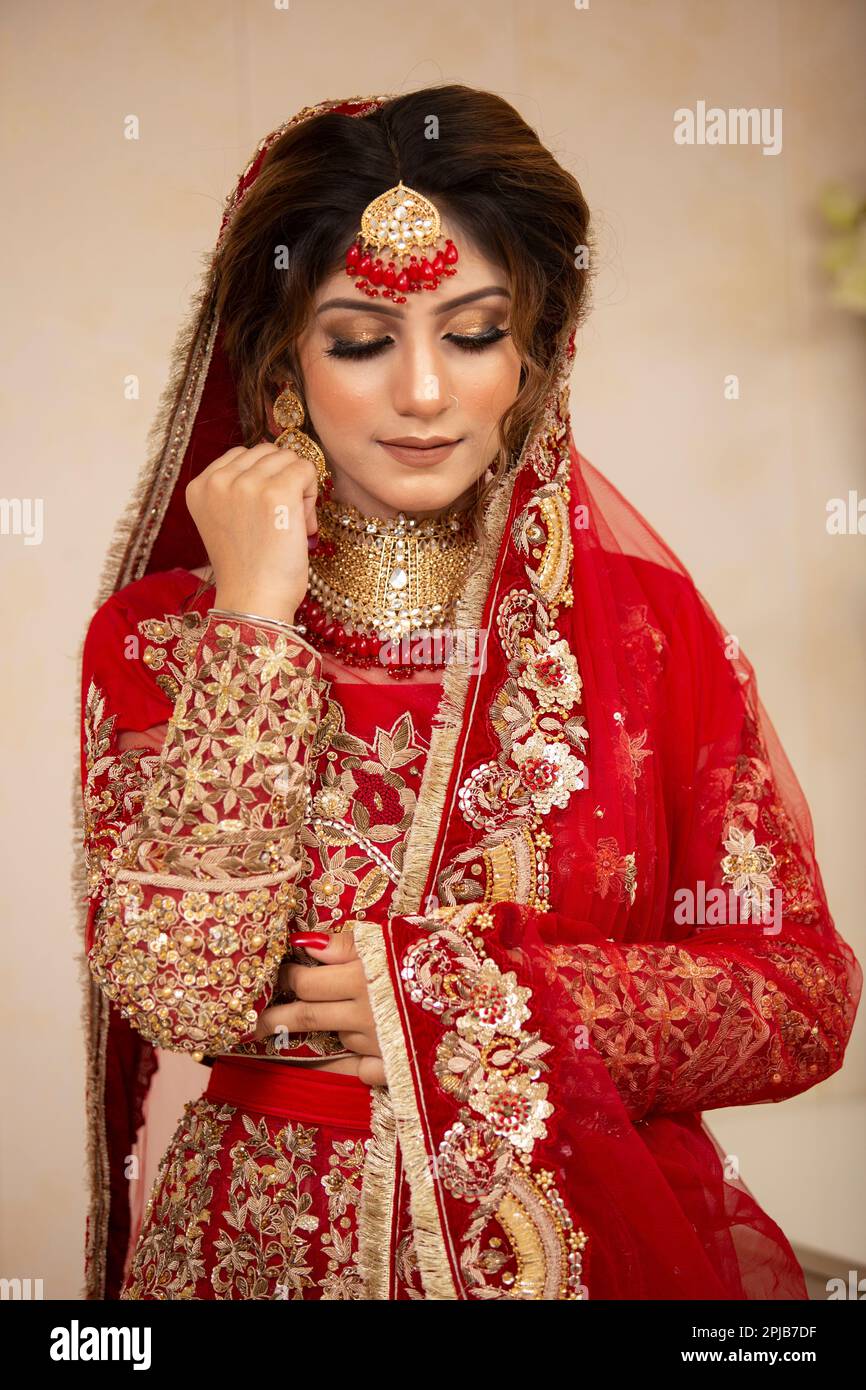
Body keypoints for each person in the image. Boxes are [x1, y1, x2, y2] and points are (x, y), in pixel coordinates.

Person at [75, 85, 861, 1302]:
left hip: (592, 1247)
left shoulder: (645, 633)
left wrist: (463, 996)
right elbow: (184, 990)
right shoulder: (171, 635)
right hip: (261, 1259)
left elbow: (799, 1000)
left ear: (536, 345)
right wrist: (251, 617)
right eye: (359, 339)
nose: (426, 392)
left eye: (473, 331)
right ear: (282, 353)